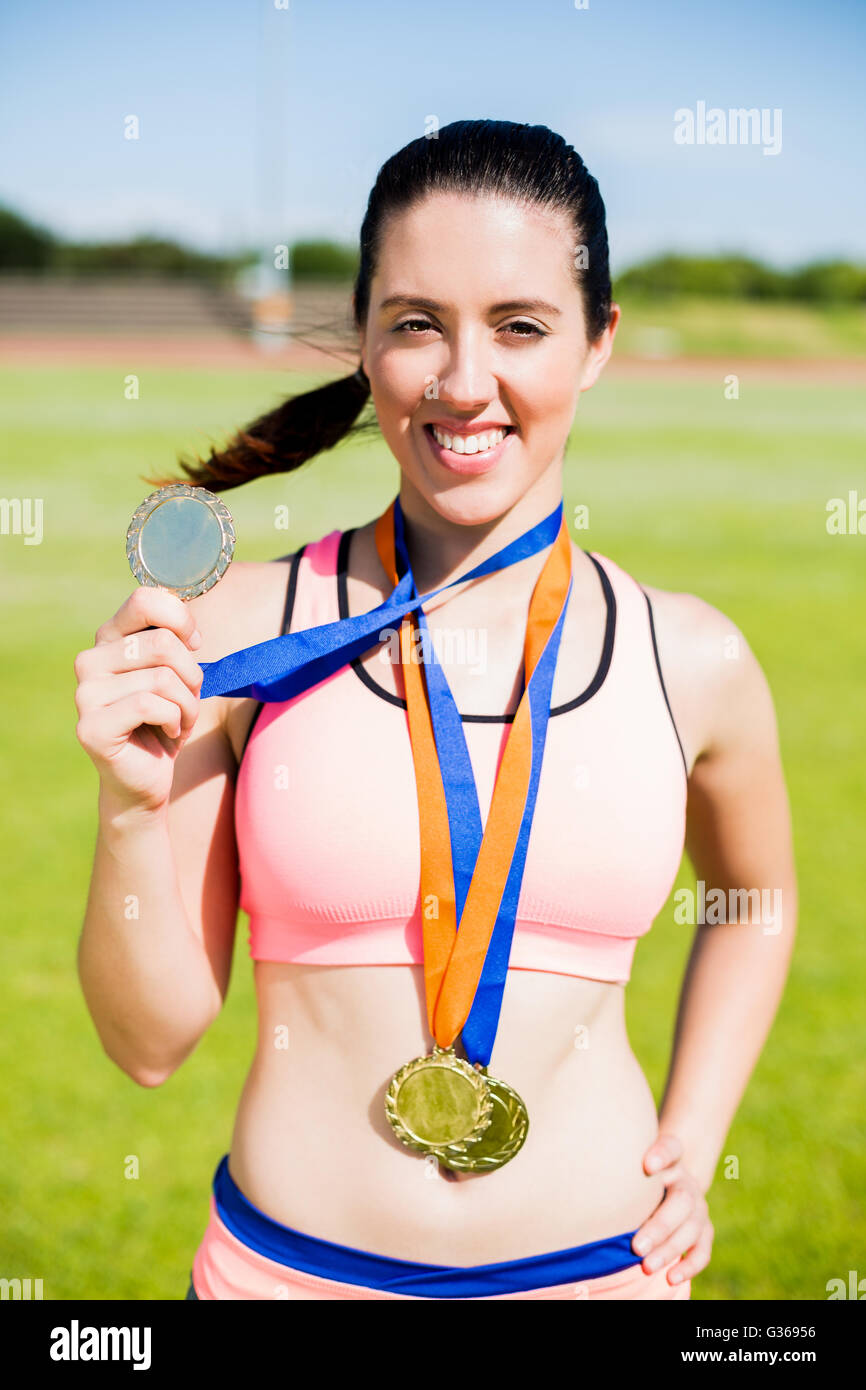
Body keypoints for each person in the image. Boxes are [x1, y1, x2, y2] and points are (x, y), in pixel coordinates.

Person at [73, 119, 797, 1301]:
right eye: (416, 323)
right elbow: (146, 1044)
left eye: (520, 325)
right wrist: (124, 807)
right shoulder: (240, 636)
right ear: (364, 338)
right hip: (287, 1280)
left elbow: (754, 896)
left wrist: (694, 1135)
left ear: (597, 342)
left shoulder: (692, 657)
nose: (465, 382)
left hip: (601, 1278)